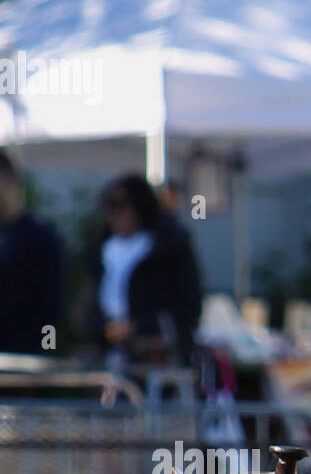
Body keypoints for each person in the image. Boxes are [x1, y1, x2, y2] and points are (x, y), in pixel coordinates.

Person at [83, 173, 202, 364]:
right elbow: (88, 308)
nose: (114, 214)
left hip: (156, 354)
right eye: (109, 206)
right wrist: (103, 328)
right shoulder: (103, 249)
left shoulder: (168, 246)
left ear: (139, 206)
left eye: (120, 205)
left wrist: (137, 327)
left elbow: (187, 307)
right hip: (109, 353)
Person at [0, 151, 63, 356]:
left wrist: (45, 354)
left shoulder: (41, 238)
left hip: (23, 367)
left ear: (10, 180)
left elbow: (52, 309)